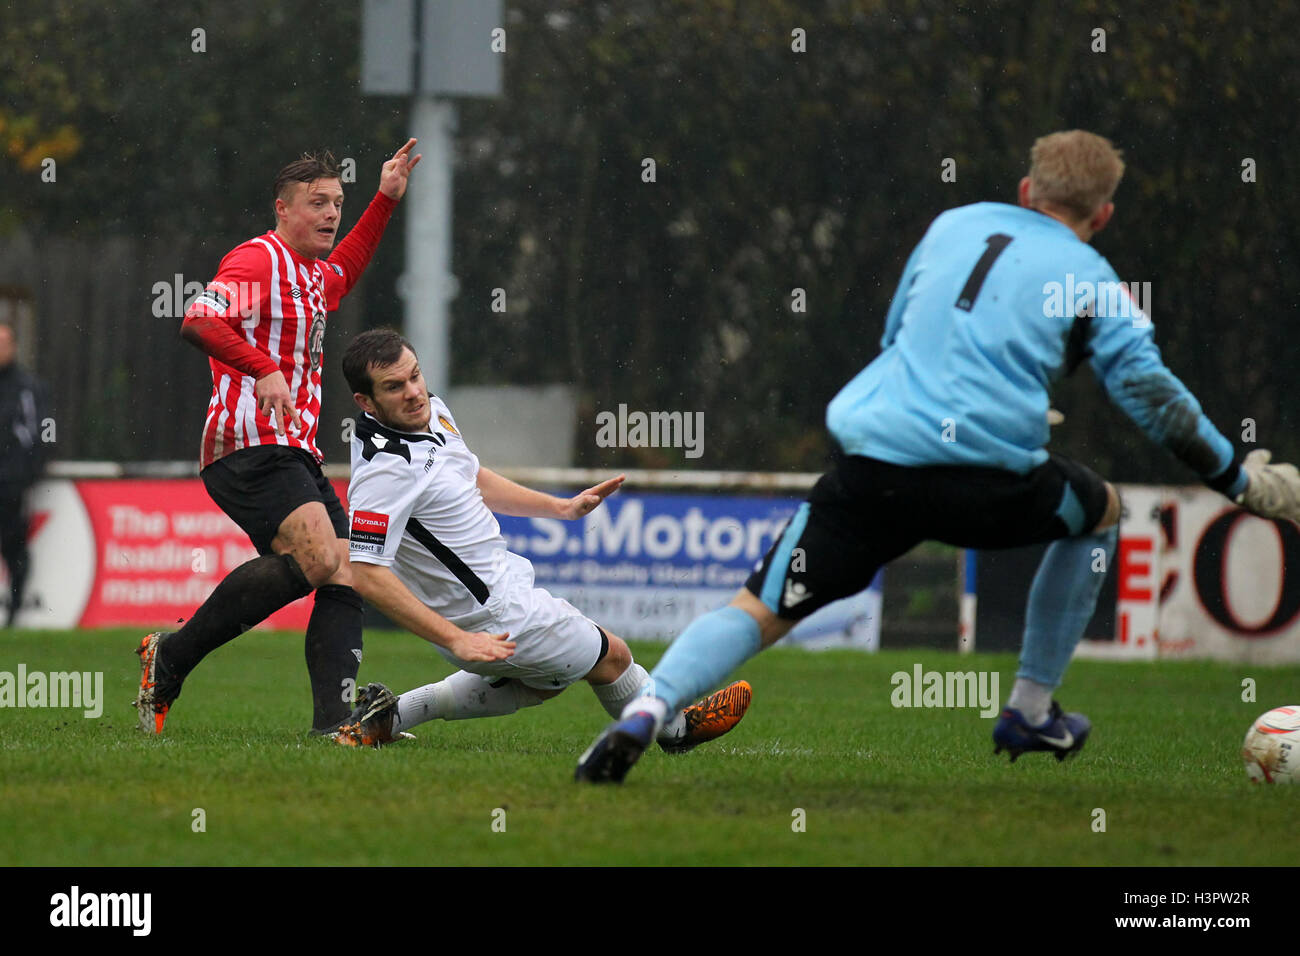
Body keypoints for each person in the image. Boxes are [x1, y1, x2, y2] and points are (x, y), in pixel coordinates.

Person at [575, 129, 1300, 783]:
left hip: (874, 467)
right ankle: (1030, 709)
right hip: (986, 482)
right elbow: (1150, 393)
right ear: (1102, 214)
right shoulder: (1093, 275)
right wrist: (1237, 478)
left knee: (759, 607)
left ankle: (650, 708)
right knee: (1100, 512)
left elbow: (901, 337)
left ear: (1025, 190)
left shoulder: (953, 225)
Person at [327, 328, 751, 752]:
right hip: (490, 616)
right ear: (366, 402)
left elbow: (473, 477)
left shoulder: (431, 411)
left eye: (415, 375)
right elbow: (367, 574)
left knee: (546, 682)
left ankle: (389, 715)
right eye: (394, 387)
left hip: (504, 590)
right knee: (613, 657)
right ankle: (678, 732)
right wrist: (454, 638)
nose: (414, 392)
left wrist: (561, 508)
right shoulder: (385, 471)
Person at [134, 142, 421, 735]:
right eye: (317, 203)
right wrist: (261, 367)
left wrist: (385, 198)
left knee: (346, 571)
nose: (331, 214)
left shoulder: (314, 275)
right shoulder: (257, 261)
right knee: (321, 558)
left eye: (337, 203)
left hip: (294, 448)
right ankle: (174, 655)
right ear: (282, 210)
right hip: (246, 442)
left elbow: (345, 268)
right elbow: (198, 319)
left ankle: (334, 726)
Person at [0, 321, 47, 628]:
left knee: (14, 544)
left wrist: (27, 474)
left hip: (11, 483)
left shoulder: (27, 387)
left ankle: (15, 612)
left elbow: (41, 434)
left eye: (4, 342)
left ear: (14, 346)